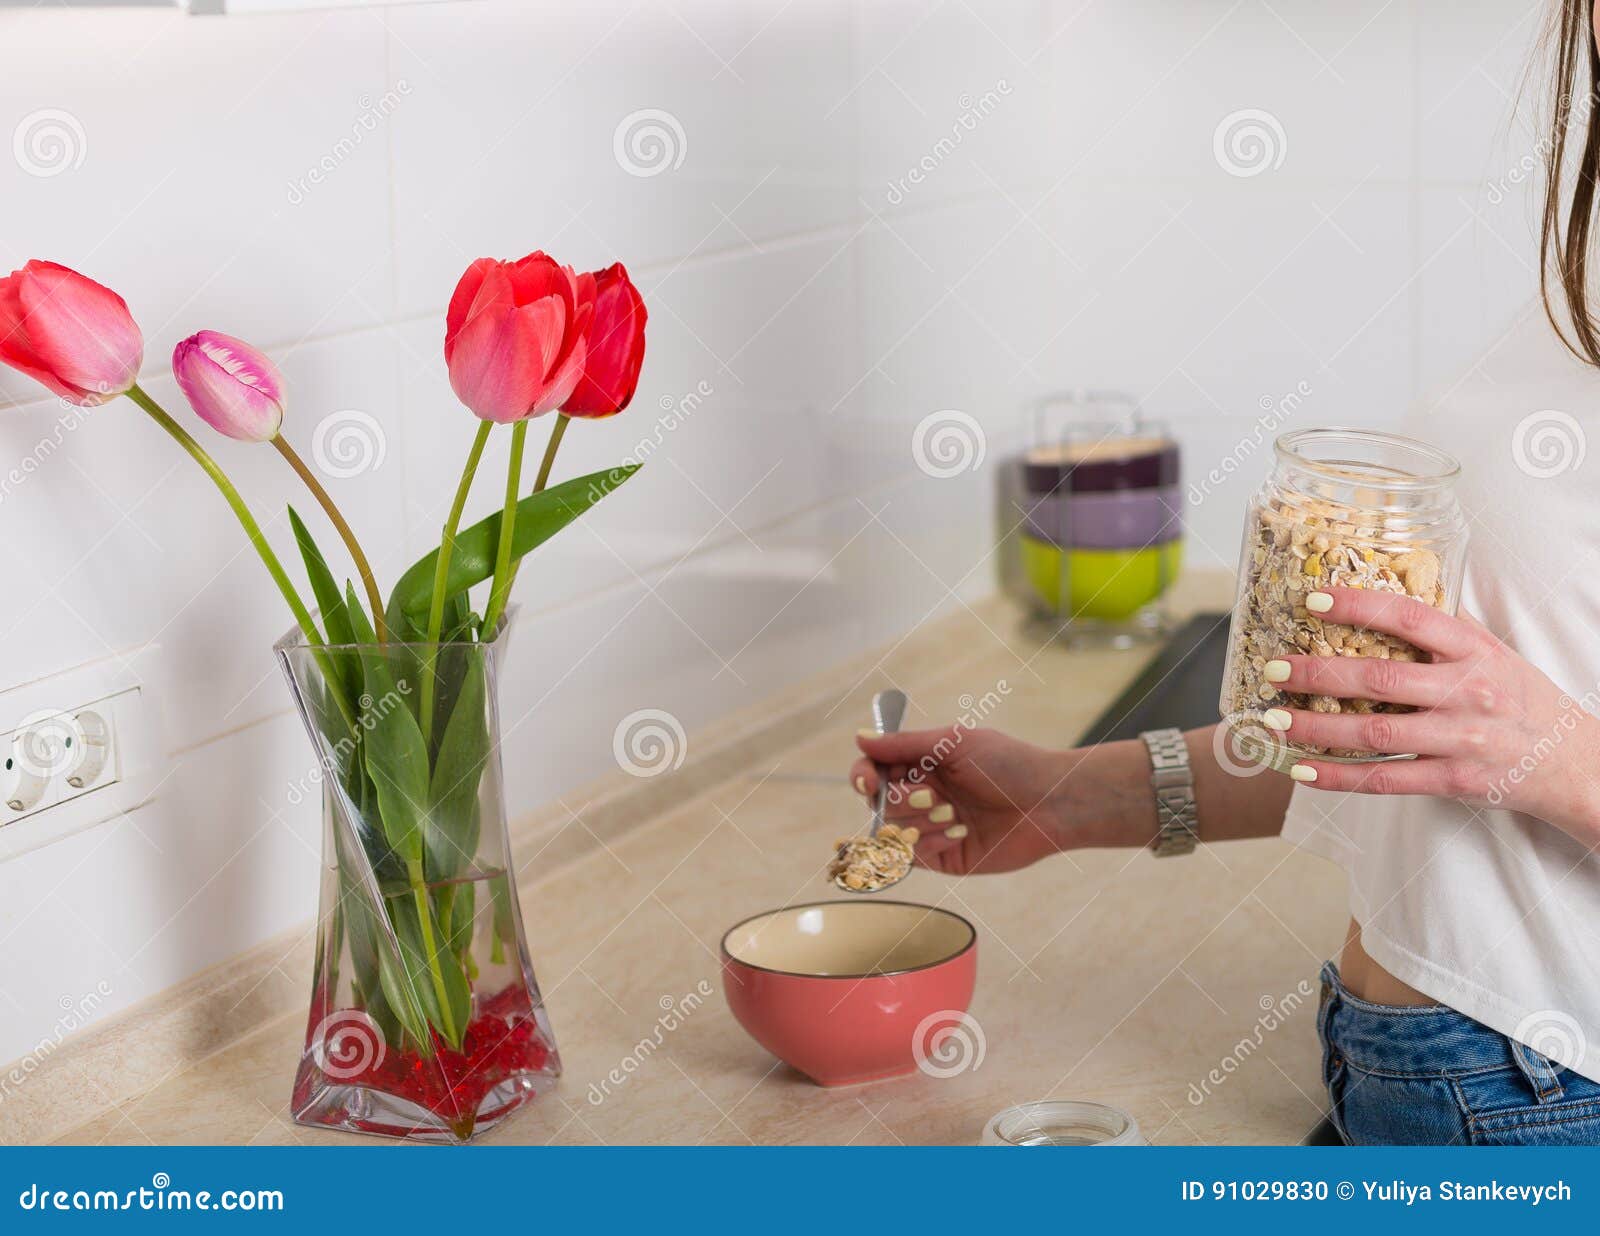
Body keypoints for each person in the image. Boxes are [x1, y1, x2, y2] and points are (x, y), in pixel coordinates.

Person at [847, 0, 1600, 1146]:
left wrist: (1545, 752)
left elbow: (1524, 741)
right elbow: (1415, 733)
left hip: (1542, 1101)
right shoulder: (1573, 300)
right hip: (1420, 1073)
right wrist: (1074, 796)